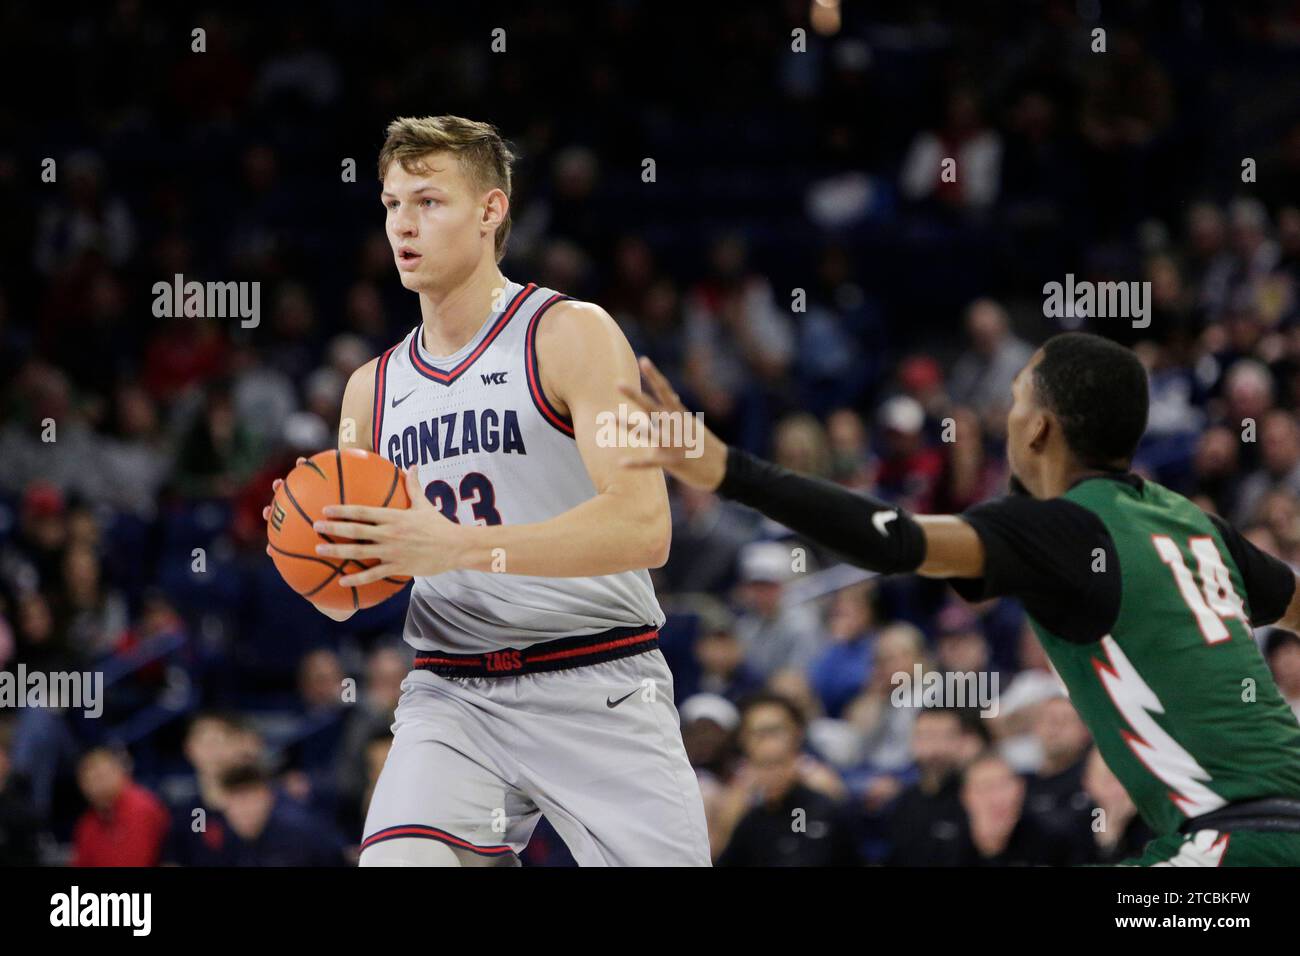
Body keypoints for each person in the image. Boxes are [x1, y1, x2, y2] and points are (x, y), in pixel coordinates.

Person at [623, 331, 1300, 866]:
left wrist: (726, 470)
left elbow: (893, 538)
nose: (1006, 420)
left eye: (1015, 401)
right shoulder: (1189, 521)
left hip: (1237, 844)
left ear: (1039, 430)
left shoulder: (1062, 527)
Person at [261, 115, 707, 866]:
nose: (404, 223)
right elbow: (350, 589)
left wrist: (460, 546)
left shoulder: (573, 334)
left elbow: (643, 527)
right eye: (392, 204)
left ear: (492, 210)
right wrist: (313, 548)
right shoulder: (369, 391)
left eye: (429, 202)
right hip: (453, 690)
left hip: (597, 676)